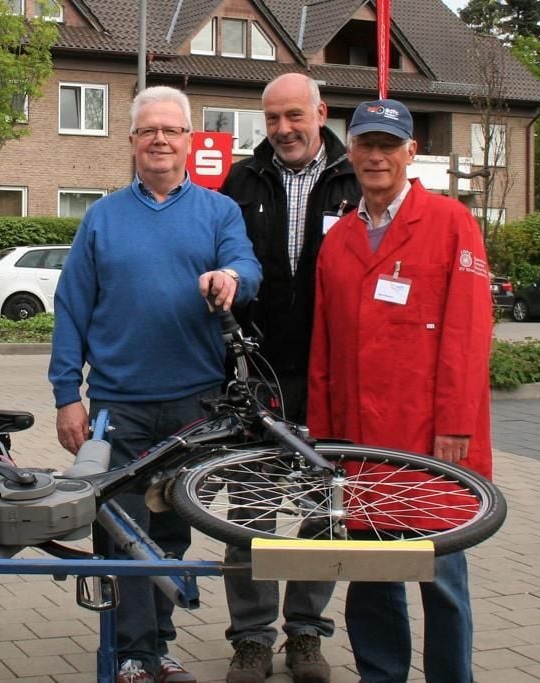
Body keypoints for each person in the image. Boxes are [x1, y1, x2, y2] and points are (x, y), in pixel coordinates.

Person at [50, 85, 262, 683]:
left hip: (195, 403)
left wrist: (231, 277)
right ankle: (131, 654)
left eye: (171, 130)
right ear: (133, 141)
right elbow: (71, 309)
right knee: (120, 530)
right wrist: (69, 396)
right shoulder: (102, 217)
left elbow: (248, 268)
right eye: (149, 131)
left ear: (189, 141)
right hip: (118, 405)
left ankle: (156, 645)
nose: (160, 140)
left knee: (169, 530)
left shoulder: (219, 212)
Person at [308, 98, 493, 683]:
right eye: (365, 144)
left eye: (389, 146)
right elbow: (324, 351)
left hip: (430, 440)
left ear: (411, 153)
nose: (376, 157)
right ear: (350, 150)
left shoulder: (450, 223)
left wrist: (456, 427)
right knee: (371, 578)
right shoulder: (338, 241)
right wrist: (323, 442)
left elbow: (467, 334)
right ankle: (381, 675)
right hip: (359, 445)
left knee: (442, 579)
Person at [218, 73, 360, 683]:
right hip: (260, 373)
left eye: (294, 116)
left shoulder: (355, 180)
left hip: (331, 376)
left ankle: (305, 633)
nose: (282, 130)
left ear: (320, 113)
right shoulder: (242, 181)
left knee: (323, 506)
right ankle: (251, 638)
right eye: (272, 118)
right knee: (247, 507)